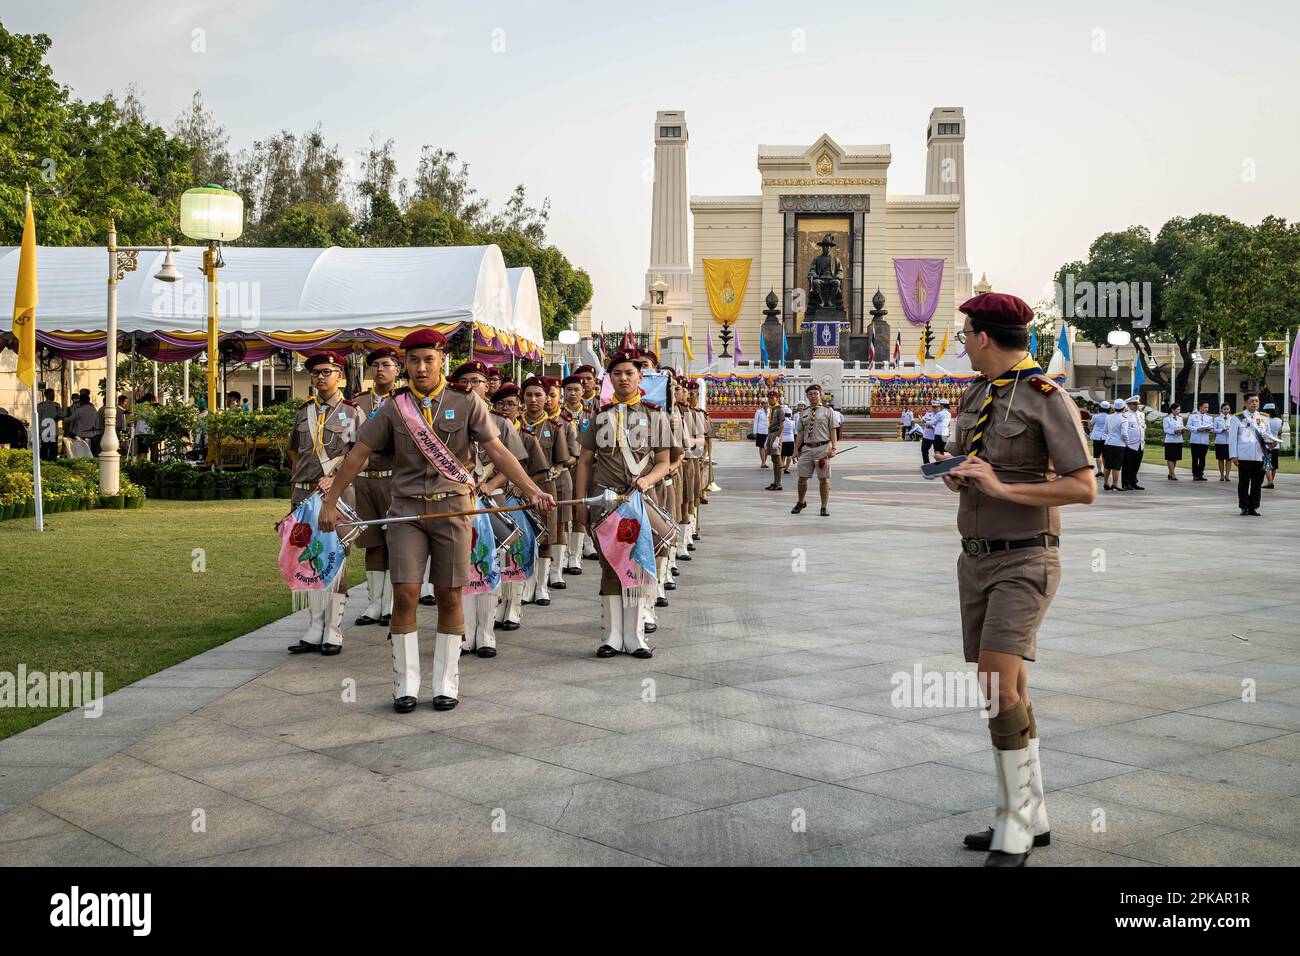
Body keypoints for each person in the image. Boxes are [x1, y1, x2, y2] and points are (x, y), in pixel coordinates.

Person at [318, 330, 553, 713]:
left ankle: (445, 683)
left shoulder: (466, 403)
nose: (421, 367)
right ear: (405, 365)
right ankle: (405, 685)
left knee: (448, 594)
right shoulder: (395, 407)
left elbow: (498, 450)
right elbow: (359, 453)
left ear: (442, 360)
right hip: (407, 512)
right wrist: (330, 501)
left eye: (428, 359)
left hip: (453, 509)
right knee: (407, 593)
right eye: (414, 360)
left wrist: (531, 490)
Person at [941, 291, 1096, 866]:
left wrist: (1004, 489)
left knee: (994, 686)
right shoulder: (979, 393)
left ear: (983, 336)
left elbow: (1083, 486)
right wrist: (962, 476)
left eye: (965, 335)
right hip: (976, 557)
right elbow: (984, 463)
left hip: (1026, 557)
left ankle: (1013, 827)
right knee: (1012, 690)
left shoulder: (1045, 397)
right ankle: (1034, 812)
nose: (963, 344)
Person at [573, 349, 672, 659]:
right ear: (609, 379)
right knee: (609, 566)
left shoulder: (656, 415)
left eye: (630, 373)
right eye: (617, 373)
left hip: (641, 499)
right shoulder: (598, 417)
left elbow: (664, 463)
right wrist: (580, 502)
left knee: (640, 564)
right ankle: (612, 636)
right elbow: (585, 462)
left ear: (640, 377)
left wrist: (648, 480)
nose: (624, 378)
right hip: (606, 501)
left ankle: (636, 636)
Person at [285, 352, 365, 657]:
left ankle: (333, 629)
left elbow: (361, 455)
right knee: (309, 558)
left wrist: (336, 478)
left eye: (327, 372)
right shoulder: (303, 413)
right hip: (303, 496)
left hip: (337, 496)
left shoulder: (350, 412)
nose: (321, 377)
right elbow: (294, 453)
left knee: (335, 560)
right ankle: (313, 627)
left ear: (340, 376)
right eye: (316, 372)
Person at [455, 360, 531, 657]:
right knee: (460, 567)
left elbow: (513, 461)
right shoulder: (449, 418)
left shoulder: (499, 423)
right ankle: (464, 632)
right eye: (466, 380)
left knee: (490, 564)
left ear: (489, 386)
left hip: (492, 501)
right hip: (460, 501)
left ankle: (485, 632)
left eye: (478, 380)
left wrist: (490, 483)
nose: (472, 385)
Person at [352, 347, 401, 627]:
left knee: (396, 542)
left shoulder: (404, 402)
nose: (380, 369)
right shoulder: (358, 403)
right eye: (376, 365)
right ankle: (374, 603)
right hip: (364, 480)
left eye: (386, 364)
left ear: (397, 370)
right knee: (372, 542)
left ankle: (391, 604)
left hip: (391, 478)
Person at [491, 383, 542, 632]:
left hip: (517, 502)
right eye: (500, 404)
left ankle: (514, 607)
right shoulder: (486, 430)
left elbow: (540, 471)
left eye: (510, 404)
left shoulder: (526, 437)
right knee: (496, 555)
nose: (504, 408)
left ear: (519, 408)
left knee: (517, 553)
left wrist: (524, 488)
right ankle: (498, 604)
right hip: (494, 500)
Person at [791, 383, 837, 517]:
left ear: (820, 394)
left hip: (822, 448)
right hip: (806, 448)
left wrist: (833, 448)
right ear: (807, 396)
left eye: (815, 394)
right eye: (810, 394)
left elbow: (833, 430)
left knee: (823, 479)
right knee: (801, 478)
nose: (813, 396)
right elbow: (800, 433)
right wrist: (795, 450)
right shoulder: (804, 413)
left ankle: (824, 506)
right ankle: (801, 502)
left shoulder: (828, 411)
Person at [1228, 393, 1277, 517]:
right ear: (1245, 403)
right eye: (1251, 401)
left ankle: (1253, 507)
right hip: (1244, 456)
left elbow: (1269, 436)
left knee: (1257, 483)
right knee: (1244, 483)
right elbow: (1232, 438)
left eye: (1256, 401)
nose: (1254, 403)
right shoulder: (1237, 418)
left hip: (1260, 455)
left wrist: (1272, 443)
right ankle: (1244, 507)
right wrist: (1233, 455)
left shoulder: (1264, 417)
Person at [765, 392, 790, 490]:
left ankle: (778, 483)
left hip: (776, 434)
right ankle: (775, 482)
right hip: (771, 434)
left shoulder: (779, 410)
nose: (770, 400)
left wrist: (778, 438)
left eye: (772, 398)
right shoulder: (771, 409)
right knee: (773, 459)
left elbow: (782, 425)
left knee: (777, 459)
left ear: (777, 398)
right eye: (769, 398)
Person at [1120, 396, 1146, 491]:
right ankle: (1125, 483)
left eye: (1137, 404)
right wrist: (1125, 442)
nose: (1136, 406)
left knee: (1136, 464)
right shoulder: (1125, 415)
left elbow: (1143, 427)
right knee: (1127, 465)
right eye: (1134, 404)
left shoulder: (1141, 414)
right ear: (1128, 405)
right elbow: (1123, 430)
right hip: (1130, 444)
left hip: (1140, 443)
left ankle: (1133, 482)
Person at [1187, 400, 1213, 481]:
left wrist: (1209, 429)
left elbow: (1212, 427)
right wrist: (1197, 429)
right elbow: (1188, 426)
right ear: (1200, 407)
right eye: (1205, 407)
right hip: (1195, 440)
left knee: (1202, 458)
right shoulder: (1192, 416)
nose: (1206, 409)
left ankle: (1200, 474)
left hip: (1204, 440)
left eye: (1207, 407)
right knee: (1195, 458)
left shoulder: (1210, 417)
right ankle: (1195, 474)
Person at [36, 389, 62, 461]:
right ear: (46, 395)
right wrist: (39, 431)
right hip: (45, 431)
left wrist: (59, 417)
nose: (52, 396)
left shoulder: (57, 405)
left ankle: (53, 462)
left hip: (53, 431)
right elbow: (39, 419)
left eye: (53, 395)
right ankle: (44, 462)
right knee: (44, 447)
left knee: (53, 449)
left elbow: (61, 415)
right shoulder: (41, 406)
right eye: (50, 395)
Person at [1162, 403, 1185, 480]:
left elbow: (1181, 427)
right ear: (1173, 409)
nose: (1179, 411)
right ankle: (1173, 475)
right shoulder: (1166, 419)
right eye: (1178, 409)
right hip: (1170, 440)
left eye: (1179, 409)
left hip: (1178, 440)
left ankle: (1170, 473)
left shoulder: (1180, 418)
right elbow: (1166, 430)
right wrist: (1175, 431)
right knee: (1170, 458)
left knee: (1175, 458)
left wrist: (1182, 431)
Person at [1262, 403, 1283, 489]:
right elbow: (1279, 430)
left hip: (1266, 445)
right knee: (1274, 465)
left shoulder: (1263, 420)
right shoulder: (1279, 421)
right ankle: (1271, 481)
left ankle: (1270, 482)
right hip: (1275, 445)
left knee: (1267, 464)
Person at [1212, 402, 1233, 481]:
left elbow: (1235, 430)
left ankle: (1227, 475)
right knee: (1220, 459)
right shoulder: (1217, 419)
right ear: (1221, 410)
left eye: (1228, 409)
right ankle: (1221, 475)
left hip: (1229, 442)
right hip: (1220, 441)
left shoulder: (1233, 418)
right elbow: (1214, 430)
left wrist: (1230, 430)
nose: (1226, 411)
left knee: (1229, 459)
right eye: (1224, 409)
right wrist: (1222, 430)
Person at [1089, 401, 1111, 476]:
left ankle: (1099, 471)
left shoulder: (1095, 416)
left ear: (1100, 408)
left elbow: (1091, 424)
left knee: (1098, 455)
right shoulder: (1109, 416)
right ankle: (1106, 470)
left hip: (1097, 437)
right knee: (1105, 455)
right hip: (1106, 437)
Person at [753, 399, 770, 468]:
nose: (765, 405)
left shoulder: (771, 411)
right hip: (761, 431)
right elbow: (756, 422)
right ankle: (763, 462)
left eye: (767, 403)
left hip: (768, 431)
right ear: (762, 404)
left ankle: (765, 462)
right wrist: (755, 431)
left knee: (766, 448)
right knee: (761, 447)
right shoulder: (758, 412)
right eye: (764, 404)